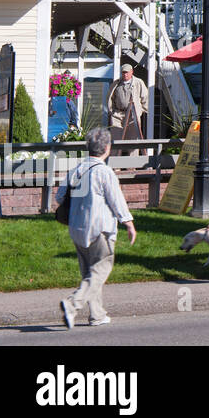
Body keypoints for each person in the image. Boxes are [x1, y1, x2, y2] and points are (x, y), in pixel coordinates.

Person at [56, 127, 137, 328]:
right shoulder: (104, 172)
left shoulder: (76, 170)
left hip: (76, 228)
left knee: (90, 274)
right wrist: (128, 222)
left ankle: (97, 315)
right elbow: (116, 200)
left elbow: (59, 197)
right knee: (101, 268)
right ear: (107, 148)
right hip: (99, 228)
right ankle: (72, 304)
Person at [106, 64, 148, 143]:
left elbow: (145, 97)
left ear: (131, 72)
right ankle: (115, 155)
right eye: (123, 72)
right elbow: (110, 98)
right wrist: (112, 111)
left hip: (133, 115)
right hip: (118, 115)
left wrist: (141, 110)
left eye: (127, 72)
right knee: (115, 140)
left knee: (133, 140)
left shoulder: (138, 82)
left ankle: (133, 156)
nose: (125, 74)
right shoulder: (116, 83)